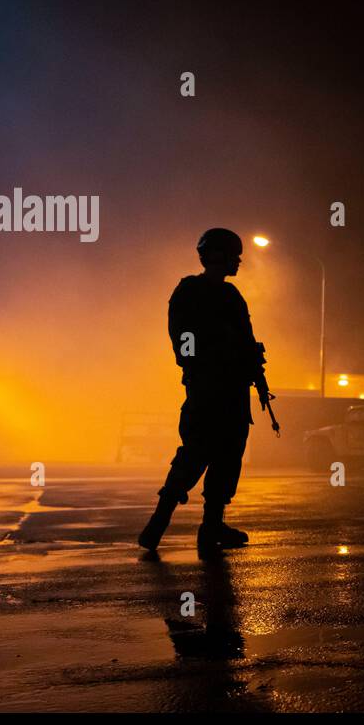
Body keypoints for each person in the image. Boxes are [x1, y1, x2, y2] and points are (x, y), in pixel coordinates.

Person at [138, 228, 263, 553]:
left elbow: (247, 341)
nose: (238, 261)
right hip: (208, 388)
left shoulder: (231, 296)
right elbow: (183, 340)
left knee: (227, 457)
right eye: (233, 255)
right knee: (196, 453)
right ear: (217, 256)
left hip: (232, 390)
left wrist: (252, 368)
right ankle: (158, 523)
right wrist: (205, 365)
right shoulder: (191, 291)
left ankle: (211, 527)